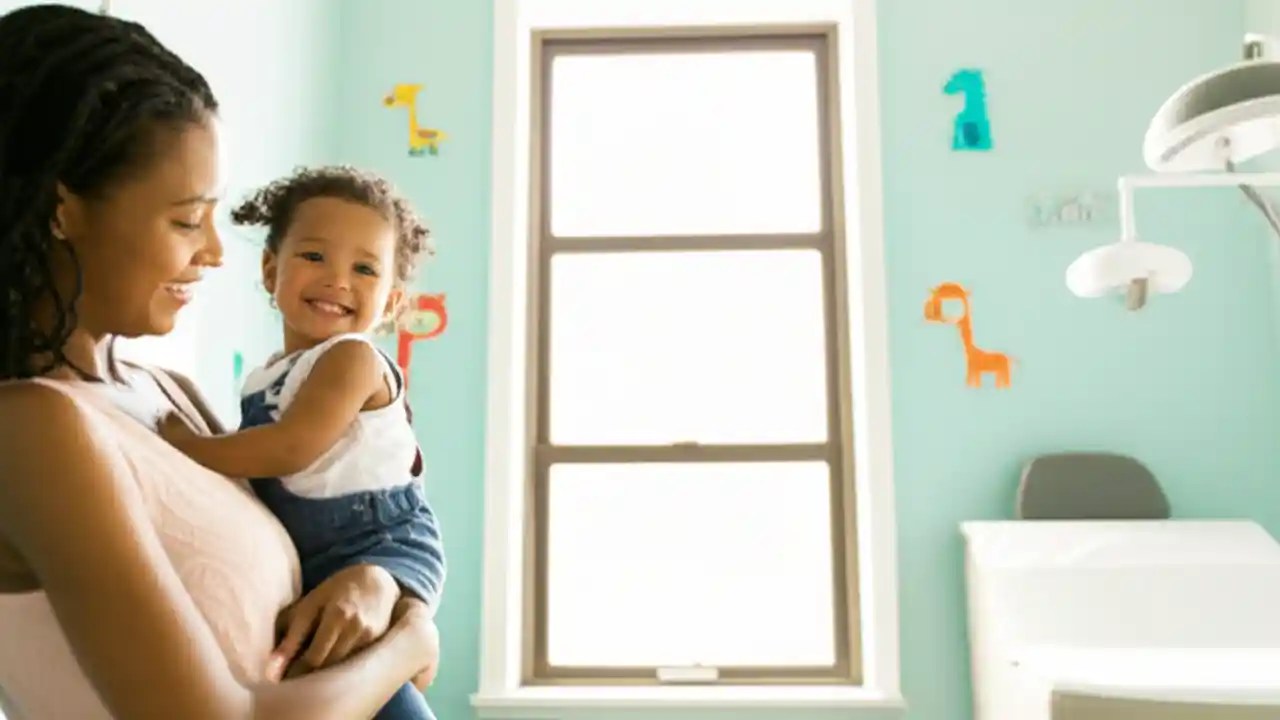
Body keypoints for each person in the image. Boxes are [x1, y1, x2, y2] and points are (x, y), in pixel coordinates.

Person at [0, 5, 439, 719]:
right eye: (185, 219)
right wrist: (411, 638)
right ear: (62, 209)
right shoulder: (33, 429)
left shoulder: (168, 396)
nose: (212, 251)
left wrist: (380, 583)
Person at [159, 165, 447, 720]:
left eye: (365, 269)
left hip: (375, 542)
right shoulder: (270, 377)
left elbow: (290, 449)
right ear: (271, 270)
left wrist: (187, 447)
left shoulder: (351, 359)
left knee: (370, 681)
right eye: (315, 256)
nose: (338, 280)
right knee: (338, 671)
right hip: (323, 554)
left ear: (391, 303)